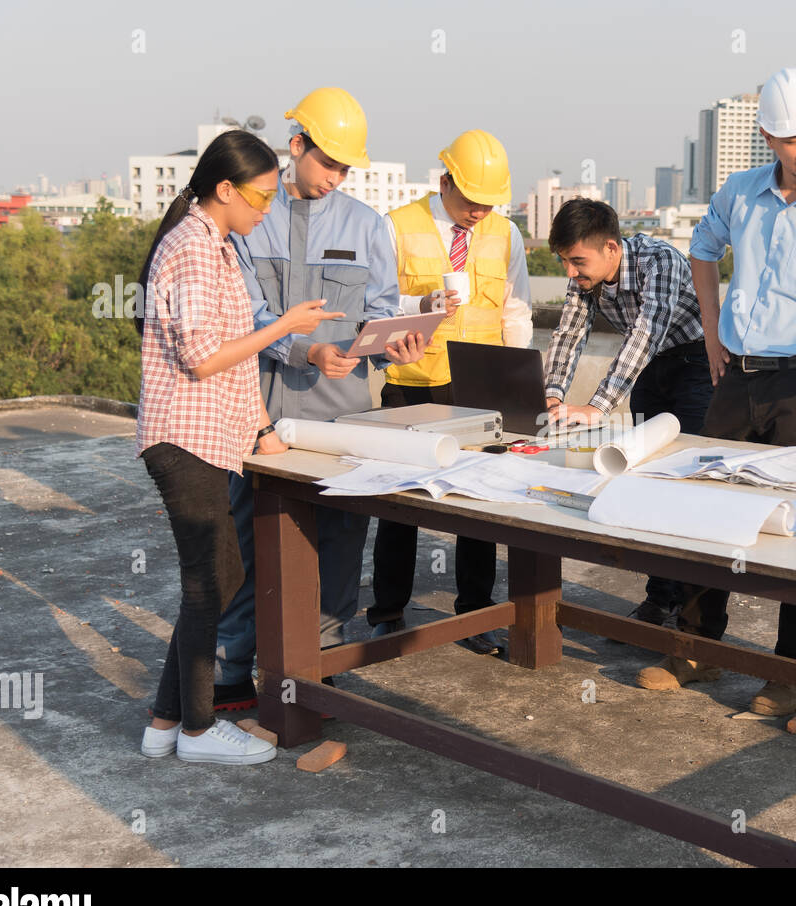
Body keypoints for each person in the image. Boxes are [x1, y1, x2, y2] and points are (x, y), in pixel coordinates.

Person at [635, 67, 796, 721]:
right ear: (768, 135)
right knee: (706, 512)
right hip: (737, 378)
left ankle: (792, 674)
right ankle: (695, 646)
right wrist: (713, 335)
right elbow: (702, 248)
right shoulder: (739, 193)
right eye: (795, 138)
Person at [136, 130, 354, 762]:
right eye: (260, 197)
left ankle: (164, 723)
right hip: (186, 436)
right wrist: (285, 326)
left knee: (217, 576)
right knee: (212, 581)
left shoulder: (220, 245)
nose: (267, 209)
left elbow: (233, 368)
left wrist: (261, 429)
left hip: (214, 436)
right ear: (225, 190)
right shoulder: (193, 250)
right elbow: (206, 361)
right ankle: (199, 732)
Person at [213, 88, 426, 710]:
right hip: (259, 414)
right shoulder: (252, 216)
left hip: (344, 415)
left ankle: (321, 666)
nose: (335, 178)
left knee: (338, 544)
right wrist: (303, 350)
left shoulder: (367, 226)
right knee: (249, 544)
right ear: (296, 146)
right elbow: (243, 314)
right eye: (327, 162)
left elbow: (381, 314)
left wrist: (394, 348)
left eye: (345, 169)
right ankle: (231, 673)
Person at [365, 130, 533, 656]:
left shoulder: (506, 233)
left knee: (477, 503)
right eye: (469, 202)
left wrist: (521, 385)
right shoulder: (396, 226)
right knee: (399, 502)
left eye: (488, 204)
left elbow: (517, 312)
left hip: (482, 386)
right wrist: (423, 299)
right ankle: (388, 611)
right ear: (444, 182)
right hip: (414, 383)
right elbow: (377, 303)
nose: (478, 213)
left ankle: (476, 614)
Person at [543, 198, 713, 626]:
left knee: (688, 481)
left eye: (577, 261)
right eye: (564, 261)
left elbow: (645, 334)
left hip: (699, 366)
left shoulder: (661, 261)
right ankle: (659, 597)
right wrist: (553, 396)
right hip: (651, 371)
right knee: (644, 479)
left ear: (612, 249)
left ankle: (693, 612)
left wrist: (597, 406)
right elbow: (569, 333)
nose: (571, 272)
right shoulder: (584, 278)